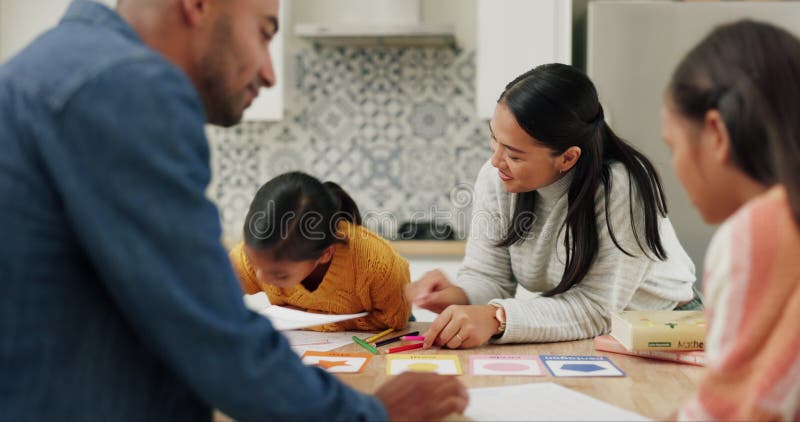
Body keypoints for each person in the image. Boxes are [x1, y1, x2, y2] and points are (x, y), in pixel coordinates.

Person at [0, 0, 467, 420]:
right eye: (264, 32)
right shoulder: (125, 85)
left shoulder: (60, 65)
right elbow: (211, 333)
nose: (270, 73)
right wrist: (369, 413)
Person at [406, 63, 698, 349]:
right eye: (494, 141)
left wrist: (497, 318)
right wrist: (459, 295)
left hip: (667, 327)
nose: (495, 161)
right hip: (590, 333)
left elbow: (596, 309)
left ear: (568, 159)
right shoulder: (496, 178)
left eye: (514, 155)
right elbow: (491, 278)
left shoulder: (620, 188)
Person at [661, 20, 800, 420]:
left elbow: (729, 413)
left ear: (716, 133)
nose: (675, 166)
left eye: (673, 145)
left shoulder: (758, 231)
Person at [230, 171, 412, 331]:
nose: (261, 277)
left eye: (280, 275)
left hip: (383, 328)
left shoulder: (377, 263)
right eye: (254, 264)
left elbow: (393, 319)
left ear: (325, 254)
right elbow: (214, 295)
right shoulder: (257, 255)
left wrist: (309, 319)